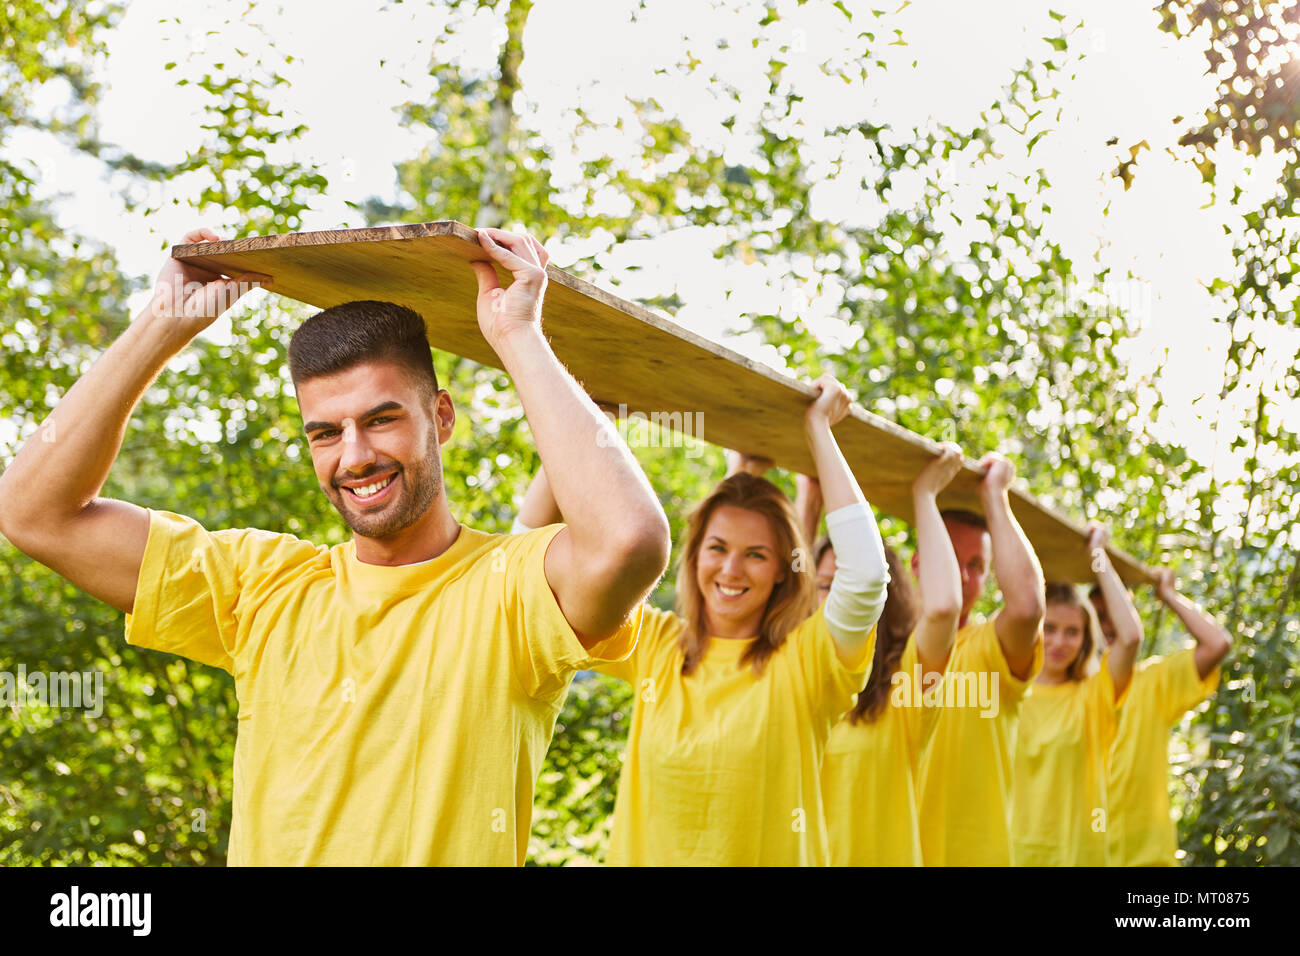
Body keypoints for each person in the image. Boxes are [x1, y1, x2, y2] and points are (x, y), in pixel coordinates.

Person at [0, 226, 671, 865]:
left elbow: (629, 540)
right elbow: (34, 513)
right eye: (326, 432)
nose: (355, 457)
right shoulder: (260, 586)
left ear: (440, 416)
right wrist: (161, 323)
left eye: (382, 420)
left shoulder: (513, 590)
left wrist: (517, 336)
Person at [516, 376, 890, 865]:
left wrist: (819, 429)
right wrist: (587, 426)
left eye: (756, 555)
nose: (731, 570)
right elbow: (529, 568)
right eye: (717, 548)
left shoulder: (809, 660)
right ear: (695, 558)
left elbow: (864, 577)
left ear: (783, 569)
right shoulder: (653, 642)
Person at [816, 443, 965, 866]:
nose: (832, 598)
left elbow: (943, 608)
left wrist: (925, 497)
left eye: (846, 584)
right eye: (824, 585)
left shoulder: (906, 685)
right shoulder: (797, 673)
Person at [910, 453, 1046, 866]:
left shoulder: (990, 649)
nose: (965, 577)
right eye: (952, 558)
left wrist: (995, 497)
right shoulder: (883, 646)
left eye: (977, 566)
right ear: (919, 563)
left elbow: (1025, 608)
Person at [1011, 523, 1141, 866]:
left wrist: (1097, 556)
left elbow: (1129, 638)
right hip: (1010, 855)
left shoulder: (1093, 696)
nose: (1058, 642)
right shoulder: (1007, 691)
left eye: (1072, 632)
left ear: (1086, 639)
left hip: (1076, 858)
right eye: (1049, 628)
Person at [1096, 567, 1230, 866]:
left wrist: (1168, 595)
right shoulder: (1066, 689)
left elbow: (1217, 644)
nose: (1105, 626)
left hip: (1147, 860)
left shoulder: (1153, 682)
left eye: (1113, 614)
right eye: (1096, 617)